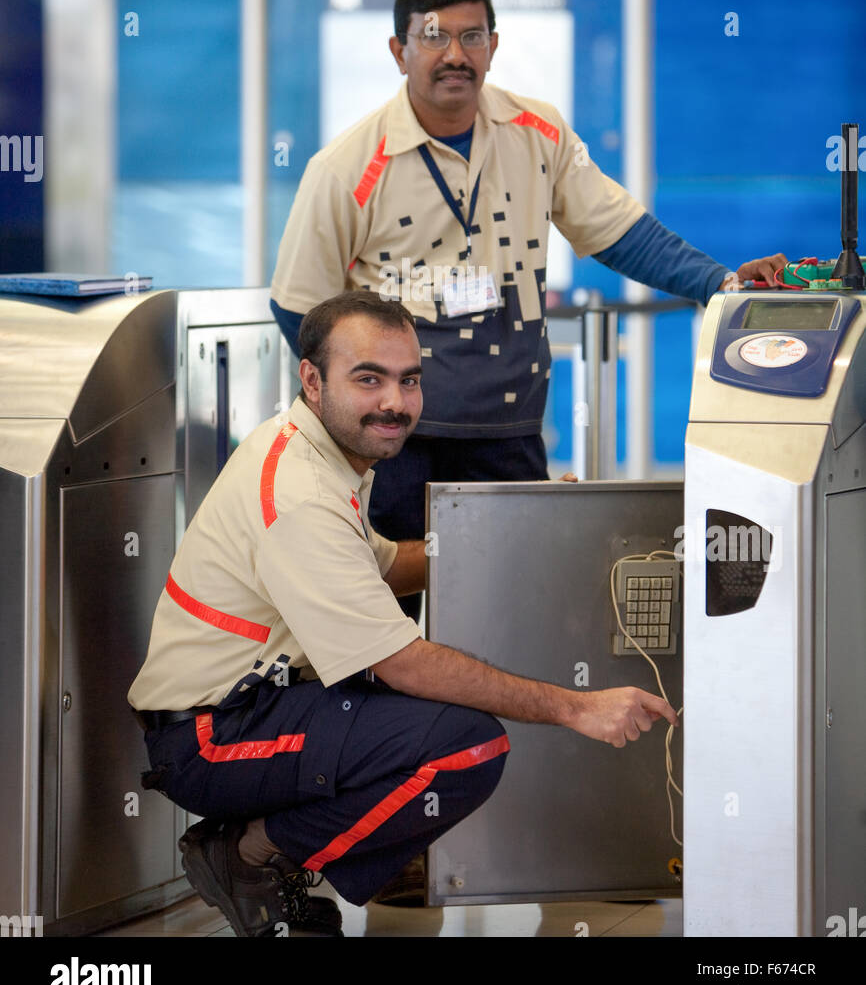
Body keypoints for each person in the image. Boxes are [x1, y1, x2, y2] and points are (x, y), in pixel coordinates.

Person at [128, 291, 677, 937]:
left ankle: (273, 848)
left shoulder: (322, 453)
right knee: (466, 748)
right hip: (212, 737)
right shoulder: (300, 492)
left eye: (408, 381)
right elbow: (401, 663)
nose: (394, 402)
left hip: (256, 705)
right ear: (312, 379)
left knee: (429, 729)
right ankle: (251, 852)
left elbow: (387, 565)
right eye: (369, 379)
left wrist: (511, 529)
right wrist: (576, 707)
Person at [269, 0, 787, 579]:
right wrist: (359, 416)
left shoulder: (538, 133)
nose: (455, 54)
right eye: (435, 37)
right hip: (394, 440)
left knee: (508, 597)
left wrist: (717, 282)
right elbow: (298, 305)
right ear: (398, 51)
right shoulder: (347, 164)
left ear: (494, 44)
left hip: (507, 428)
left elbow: (620, 232)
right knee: (394, 604)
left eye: (473, 36)